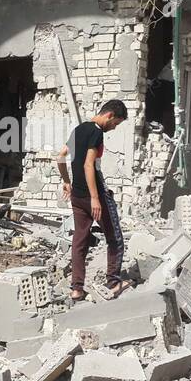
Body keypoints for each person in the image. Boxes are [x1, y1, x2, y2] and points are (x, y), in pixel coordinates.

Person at [55, 99, 129, 301]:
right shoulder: (96, 131)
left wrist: (66, 181)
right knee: (115, 238)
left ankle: (76, 289)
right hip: (94, 196)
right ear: (110, 115)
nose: (113, 128)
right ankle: (113, 283)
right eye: (116, 124)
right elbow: (89, 165)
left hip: (77, 196)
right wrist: (96, 198)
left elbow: (60, 156)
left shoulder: (79, 129)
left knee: (80, 240)